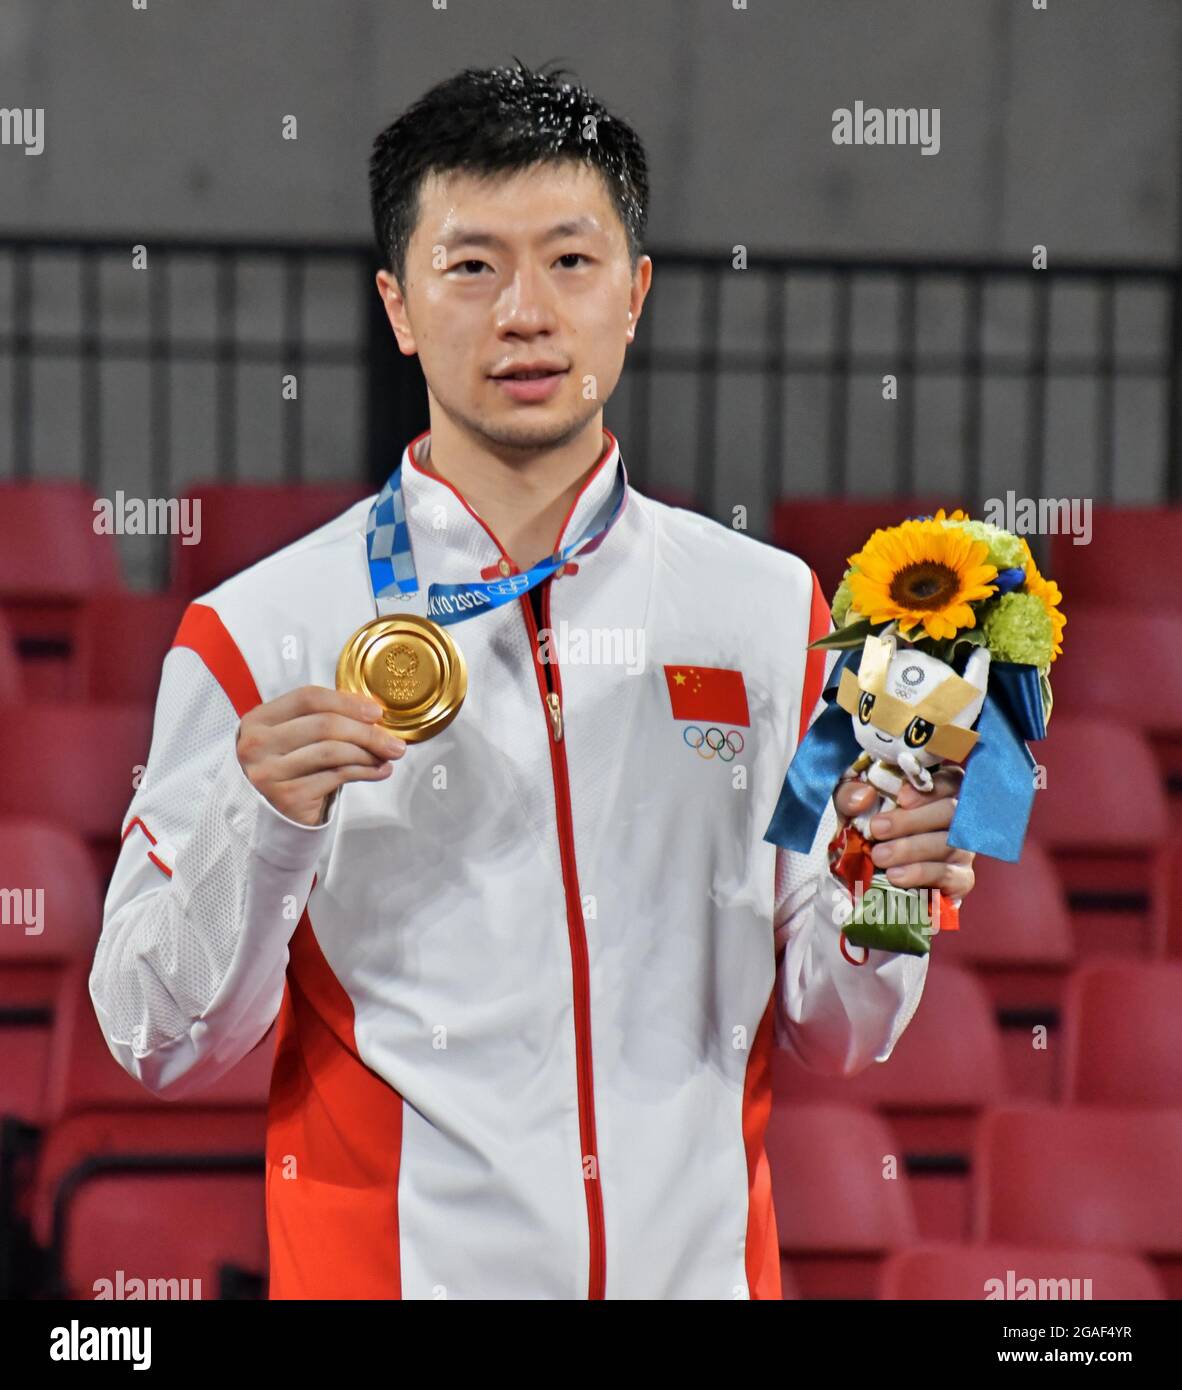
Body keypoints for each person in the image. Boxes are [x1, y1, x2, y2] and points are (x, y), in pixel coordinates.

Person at [90, 60, 975, 1300]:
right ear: (397, 304)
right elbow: (152, 1033)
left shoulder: (774, 611)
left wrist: (887, 895)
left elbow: (842, 1027)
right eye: (471, 266)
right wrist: (261, 827)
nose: (525, 312)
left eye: (570, 260)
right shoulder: (262, 630)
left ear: (636, 294)